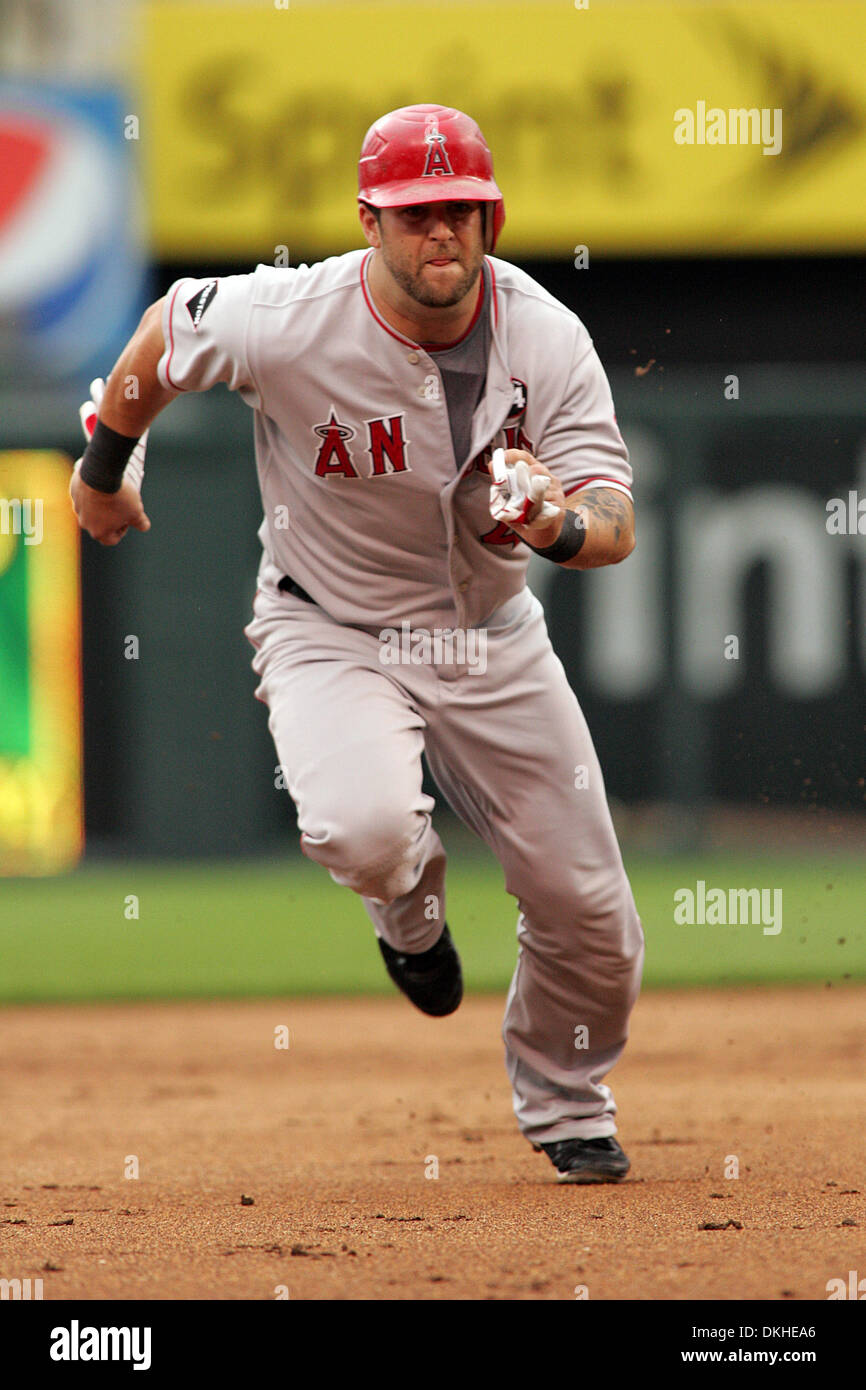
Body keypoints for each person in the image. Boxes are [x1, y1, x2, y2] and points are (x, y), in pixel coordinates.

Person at [69, 104, 644, 1184]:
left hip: (491, 638)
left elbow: (613, 518)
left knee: (591, 913)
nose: (442, 231)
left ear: (492, 218)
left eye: (461, 209)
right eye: (415, 212)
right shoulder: (288, 316)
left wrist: (557, 524)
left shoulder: (546, 336)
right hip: (329, 625)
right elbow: (164, 335)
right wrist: (104, 470)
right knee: (363, 829)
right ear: (369, 222)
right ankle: (410, 920)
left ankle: (568, 1103)